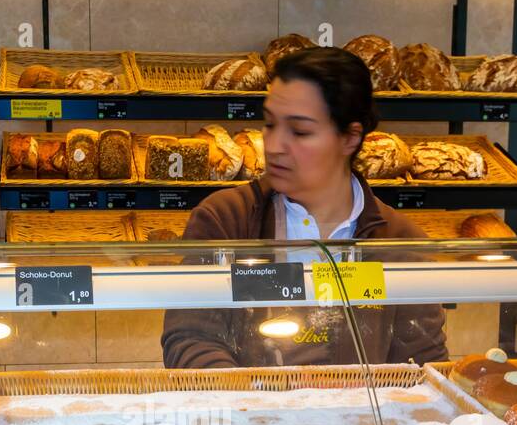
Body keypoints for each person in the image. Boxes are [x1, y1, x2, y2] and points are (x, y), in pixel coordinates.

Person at [162, 47, 447, 369]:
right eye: (270, 124)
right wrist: (251, 402)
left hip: (359, 418)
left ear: (350, 138)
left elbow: (424, 366)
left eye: (299, 131)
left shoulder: (400, 244)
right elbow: (189, 339)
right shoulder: (227, 219)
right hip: (249, 414)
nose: (274, 146)